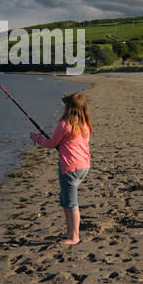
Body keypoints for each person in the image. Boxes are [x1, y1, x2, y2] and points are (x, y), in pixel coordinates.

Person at [31, 92, 92, 245]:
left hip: (70, 168)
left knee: (71, 203)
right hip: (83, 167)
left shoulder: (65, 125)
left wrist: (36, 138)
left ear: (68, 108)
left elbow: (51, 143)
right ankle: (70, 232)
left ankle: (75, 237)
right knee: (64, 200)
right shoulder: (85, 125)